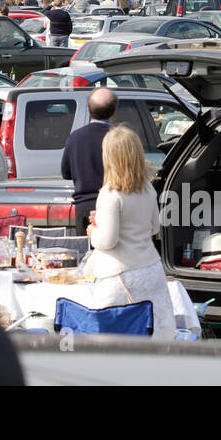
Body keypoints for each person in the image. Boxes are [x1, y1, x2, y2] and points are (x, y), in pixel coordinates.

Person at [84, 124, 177, 339]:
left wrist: (92, 230)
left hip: (120, 275)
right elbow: (154, 227)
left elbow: (107, 241)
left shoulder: (110, 194)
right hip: (151, 268)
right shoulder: (147, 188)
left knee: (111, 339)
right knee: (155, 334)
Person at [60, 88, 118, 234]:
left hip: (83, 206)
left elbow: (66, 173)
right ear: (114, 111)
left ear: (89, 109)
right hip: (112, 206)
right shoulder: (119, 139)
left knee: (85, 253)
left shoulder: (75, 137)